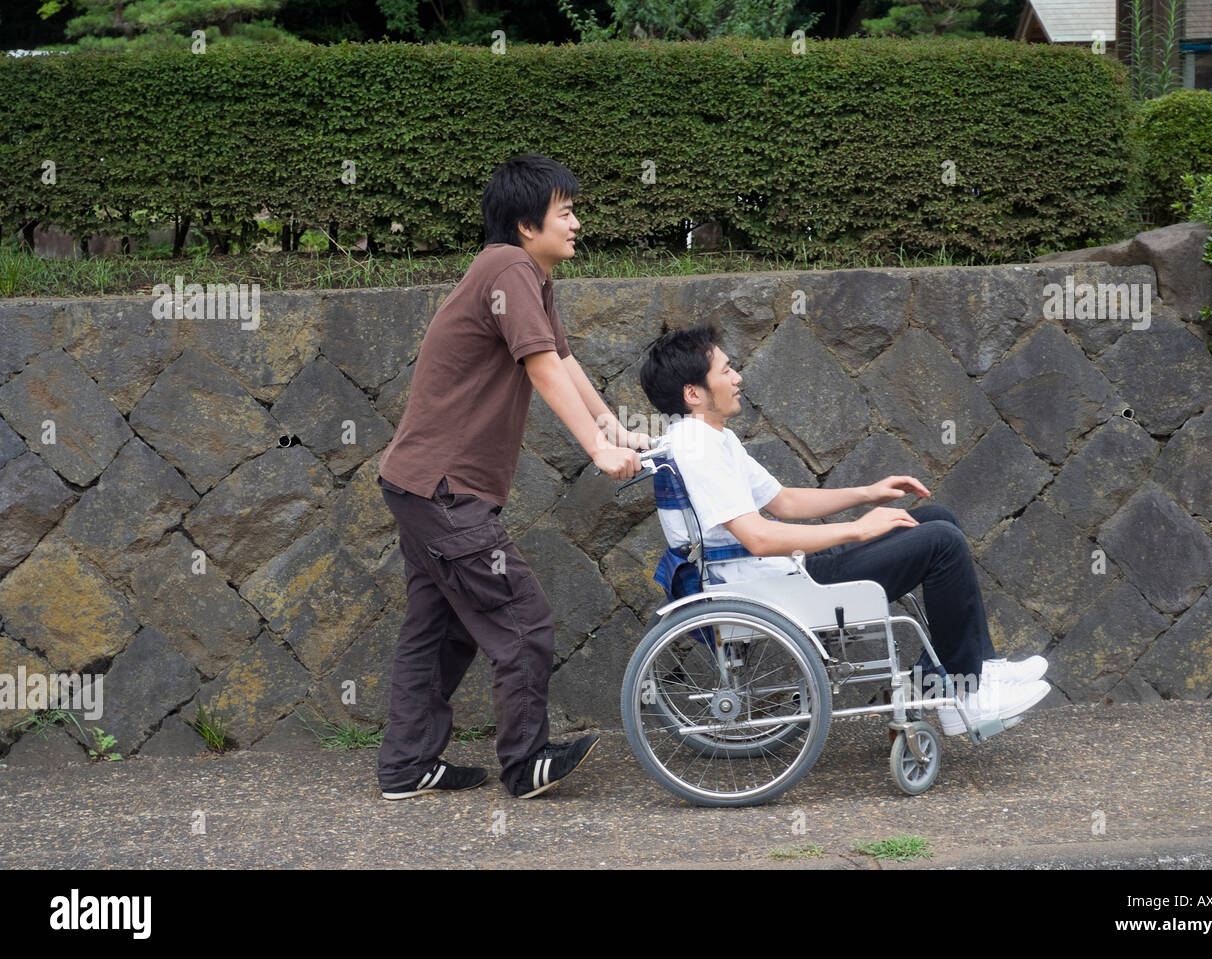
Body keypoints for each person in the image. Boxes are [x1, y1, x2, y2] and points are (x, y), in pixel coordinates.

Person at [375, 154, 647, 799]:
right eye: (567, 211)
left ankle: (407, 767)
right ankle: (526, 764)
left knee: (439, 632)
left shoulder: (525, 275)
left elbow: (563, 358)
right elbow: (540, 367)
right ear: (528, 225)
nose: (578, 222)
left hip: (420, 487)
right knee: (523, 619)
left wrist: (612, 426)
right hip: (444, 493)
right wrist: (596, 452)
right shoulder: (508, 267)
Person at [637, 324, 1050, 735]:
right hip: (772, 587)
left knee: (936, 518)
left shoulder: (709, 439)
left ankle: (973, 670)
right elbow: (758, 537)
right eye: (726, 371)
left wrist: (868, 493)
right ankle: (968, 695)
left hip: (777, 573)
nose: (738, 377)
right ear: (694, 393)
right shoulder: (699, 448)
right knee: (941, 543)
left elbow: (783, 502)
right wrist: (857, 531)